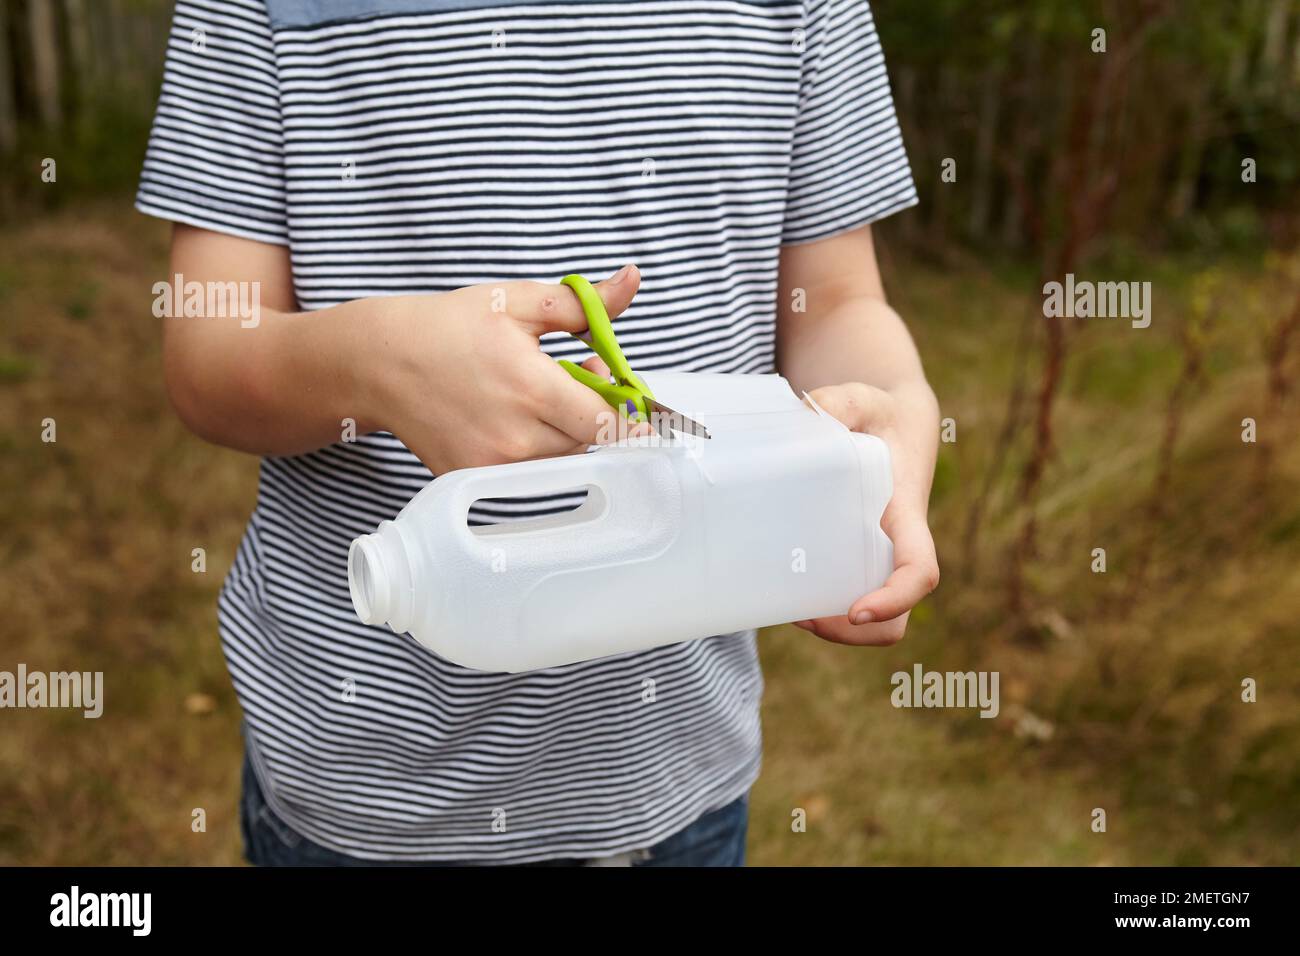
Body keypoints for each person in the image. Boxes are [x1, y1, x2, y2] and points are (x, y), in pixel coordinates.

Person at [137, 0, 939, 866]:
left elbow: (838, 303)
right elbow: (205, 347)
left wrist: (892, 406)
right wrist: (379, 366)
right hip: (368, 791)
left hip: (674, 781)